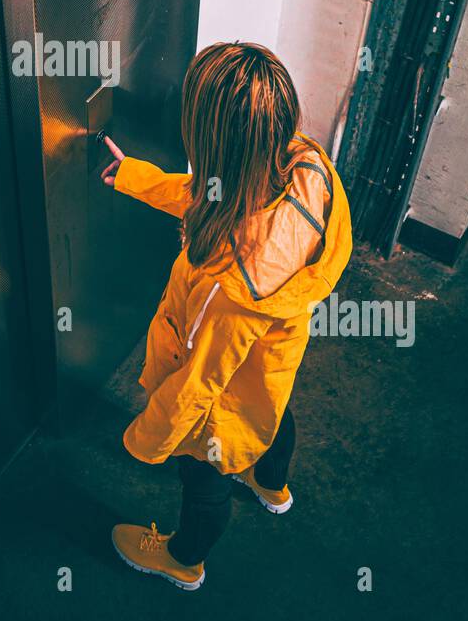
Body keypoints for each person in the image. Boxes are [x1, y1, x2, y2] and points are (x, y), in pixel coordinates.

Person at [102, 42, 352, 591]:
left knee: (205, 479)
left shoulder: (229, 285)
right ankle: (272, 488)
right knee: (275, 416)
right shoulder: (307, 164)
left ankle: (184, 560)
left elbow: (199, 380)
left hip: (219, 402)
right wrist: (136, 178)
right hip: (272, 363)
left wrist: (148, 436)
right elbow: (211, 197)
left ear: (210, 142)